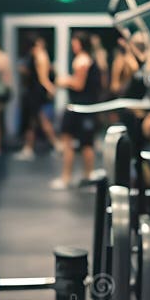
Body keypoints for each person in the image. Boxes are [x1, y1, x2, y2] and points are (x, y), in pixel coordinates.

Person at [52, 32, 101, 190]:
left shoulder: (82, 60)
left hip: (80, 108)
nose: (73, 45)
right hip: (82, 108)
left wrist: (63, 80)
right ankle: (83, 177)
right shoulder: (85, 59)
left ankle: (70, 178)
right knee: (83, 143)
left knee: (78, 143)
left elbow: (79, 84)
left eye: (75, 42)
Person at [17, 36, 59, 160]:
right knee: (34, 121)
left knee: (40, 119)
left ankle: (56, 144)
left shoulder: (40, 55)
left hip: (36, 92)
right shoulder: (35, 55)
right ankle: (29, 148)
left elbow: (43, 77)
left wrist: (50, 88)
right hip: (34, 91)